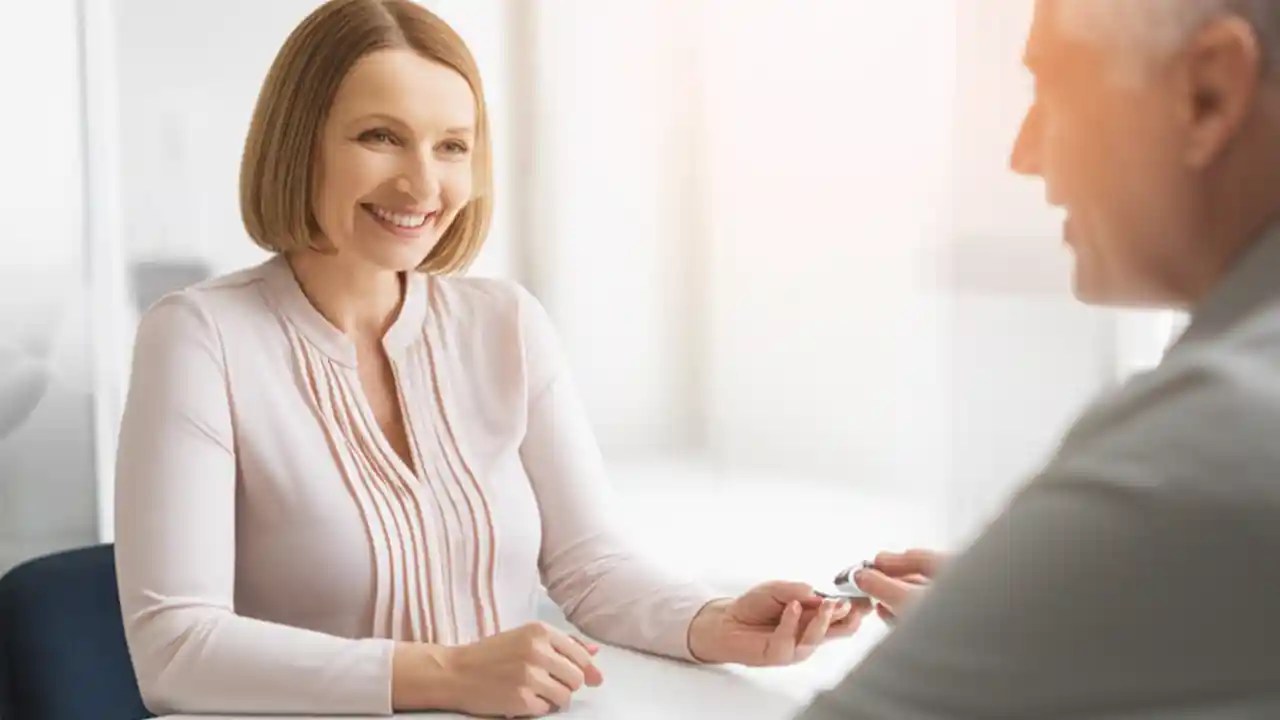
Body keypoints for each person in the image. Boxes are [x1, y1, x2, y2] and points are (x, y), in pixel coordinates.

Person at [113, 1, 870, 717]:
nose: (421, 183)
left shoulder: (504, 323)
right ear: (298, 142)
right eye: (380, 136)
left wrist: (714, 621)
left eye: (452, 146)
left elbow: (591, 566)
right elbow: (176, 648)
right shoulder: (199, 337)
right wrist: (449, 674)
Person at [799, 0, 1280, 717]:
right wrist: (1082, 607)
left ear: (1206, 94)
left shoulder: (1213, 425)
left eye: (1051, 90)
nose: (1023, 156)